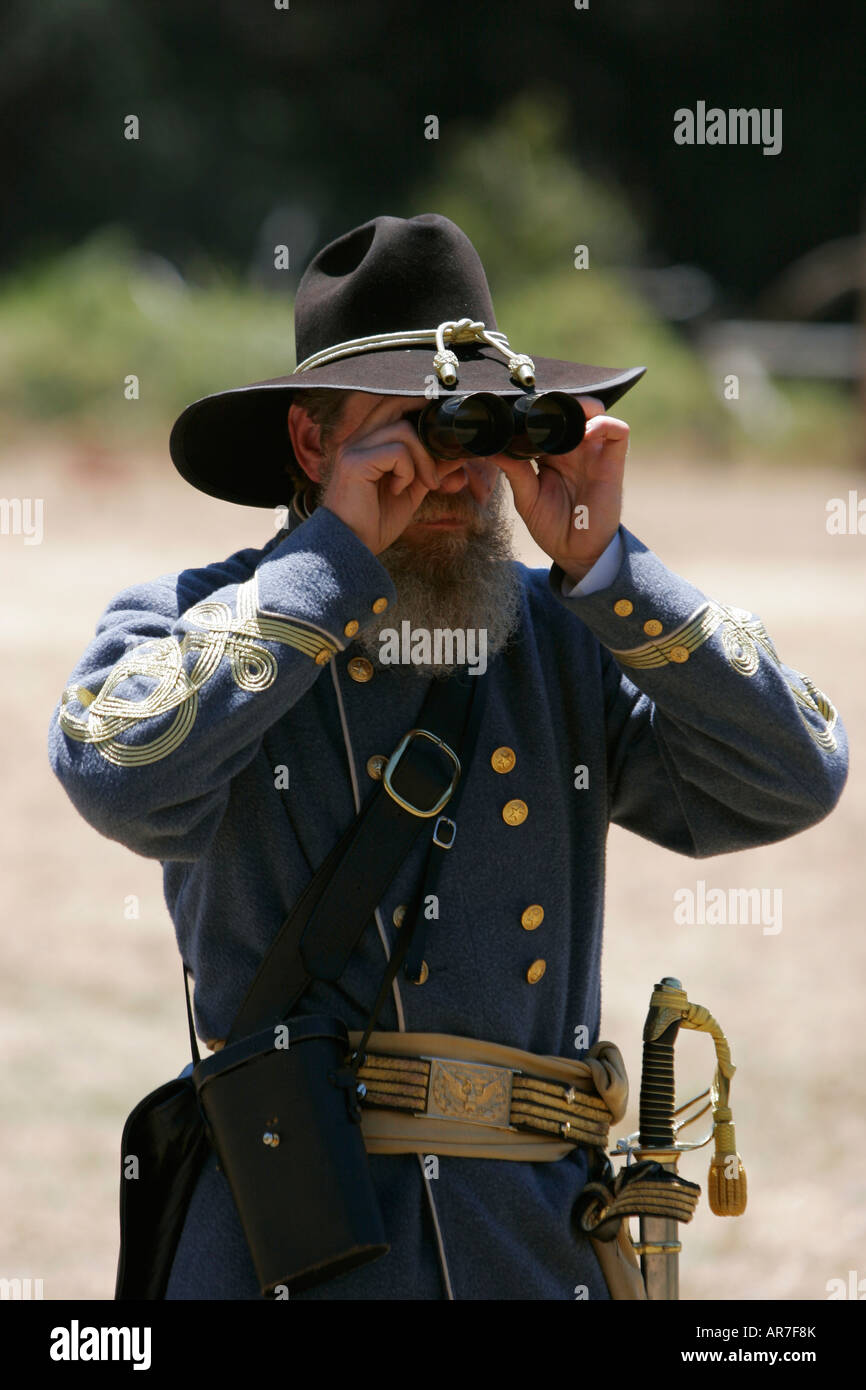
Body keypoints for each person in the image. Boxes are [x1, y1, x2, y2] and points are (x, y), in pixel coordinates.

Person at [48, 213, 848, 1301]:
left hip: (531, 1244)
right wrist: (327, 562)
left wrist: (609, 569)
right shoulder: (202, 619)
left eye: (477, 431)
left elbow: (794, 773)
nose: (453, 472)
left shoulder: (560, 637)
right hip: (297, 1245)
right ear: (311, 444)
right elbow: (115, 770)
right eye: (412, 431)